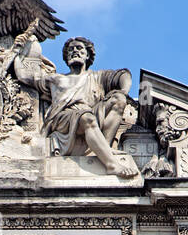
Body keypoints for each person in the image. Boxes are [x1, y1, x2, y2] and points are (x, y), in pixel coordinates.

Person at [13, 34, 138, 177]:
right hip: (63, 120)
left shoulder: (98, 77)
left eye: (79, 48)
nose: (74, 51)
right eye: (71, 50)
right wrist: (17, 51)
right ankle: (111, 165)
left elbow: (124, 75)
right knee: (86, 117)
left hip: (90, 114)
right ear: (66, 57)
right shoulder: (56, 79)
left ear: (88, 55)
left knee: (118, 99)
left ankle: (105, 148)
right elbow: (23, 76)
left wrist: (124, 91)